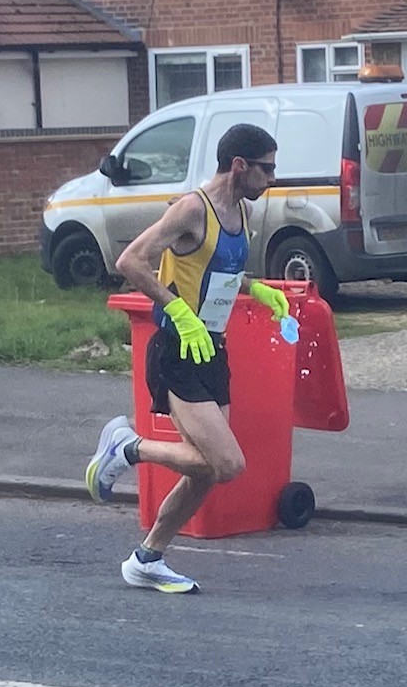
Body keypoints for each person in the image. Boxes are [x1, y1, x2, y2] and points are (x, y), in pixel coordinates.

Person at [85, 124, 289, 594]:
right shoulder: (192, 209)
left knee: (205, 469)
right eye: (268, 168)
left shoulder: (239, 210)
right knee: (228, 465)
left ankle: (147, 559)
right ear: (240, 166)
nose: (273, 179)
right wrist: (178, 309)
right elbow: (131, 261)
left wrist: (258, 289)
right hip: (178, 348)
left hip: (212, 349)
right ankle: (126, 447)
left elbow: (221, 273)